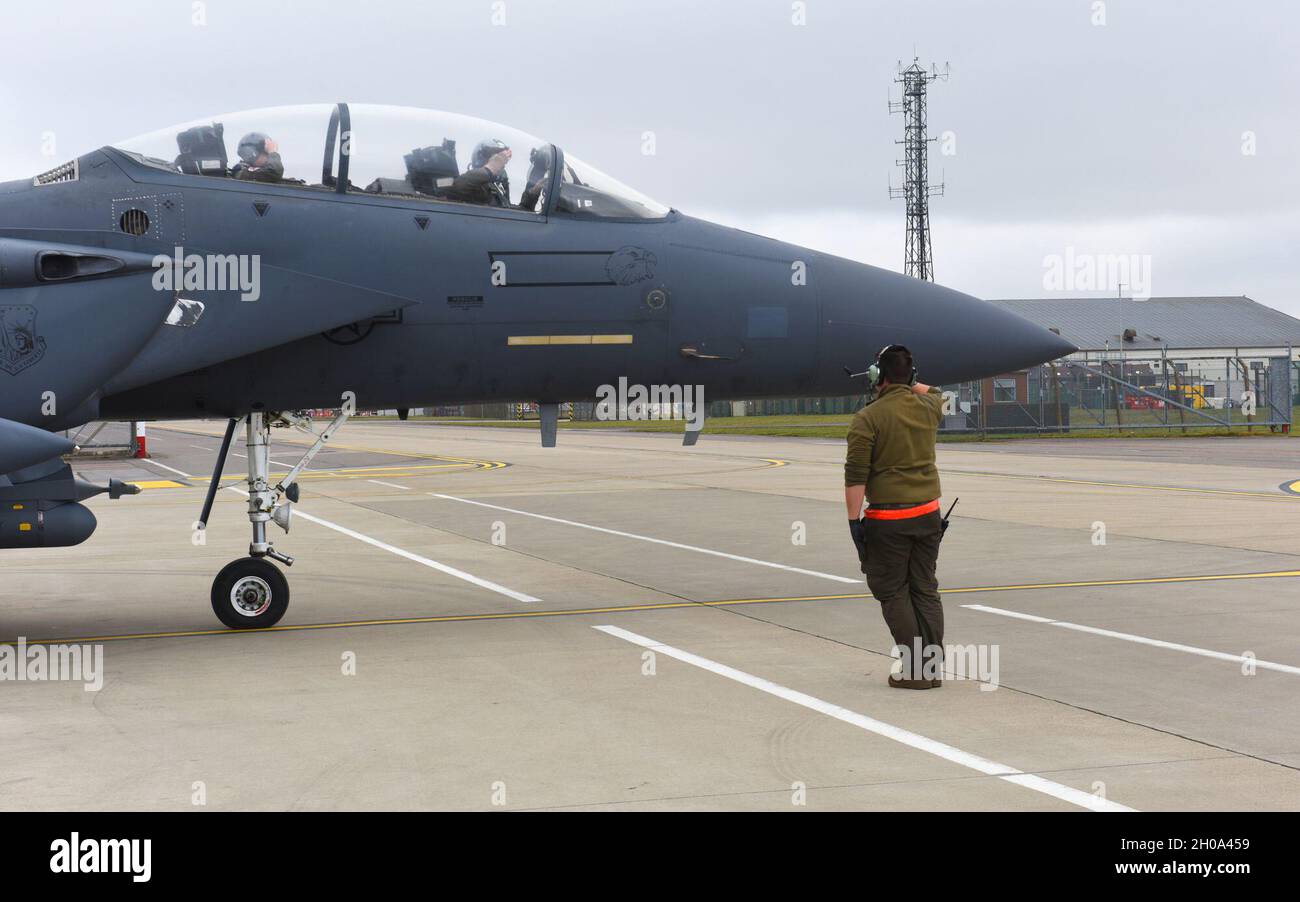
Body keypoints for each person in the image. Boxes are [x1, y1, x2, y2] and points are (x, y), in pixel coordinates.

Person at [844, 345, 946, 689]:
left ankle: (916, 670)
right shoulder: (930, 406)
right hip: (929, 514)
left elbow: (856, 475)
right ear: (911, 375)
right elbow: (938, 394)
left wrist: (854, 522)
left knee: (892, 590)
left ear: (878, 376)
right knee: (924, 589)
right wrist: (912, 383)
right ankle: (931, 668)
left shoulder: (867, 418)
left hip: (889, 520)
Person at [445, 138, 546, 210]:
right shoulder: (472, 184)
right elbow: (455, 187)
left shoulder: (497, 188)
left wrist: (533, 193)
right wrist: (489, 169)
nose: (501, 165)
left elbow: (513, 214)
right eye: (497, 159)